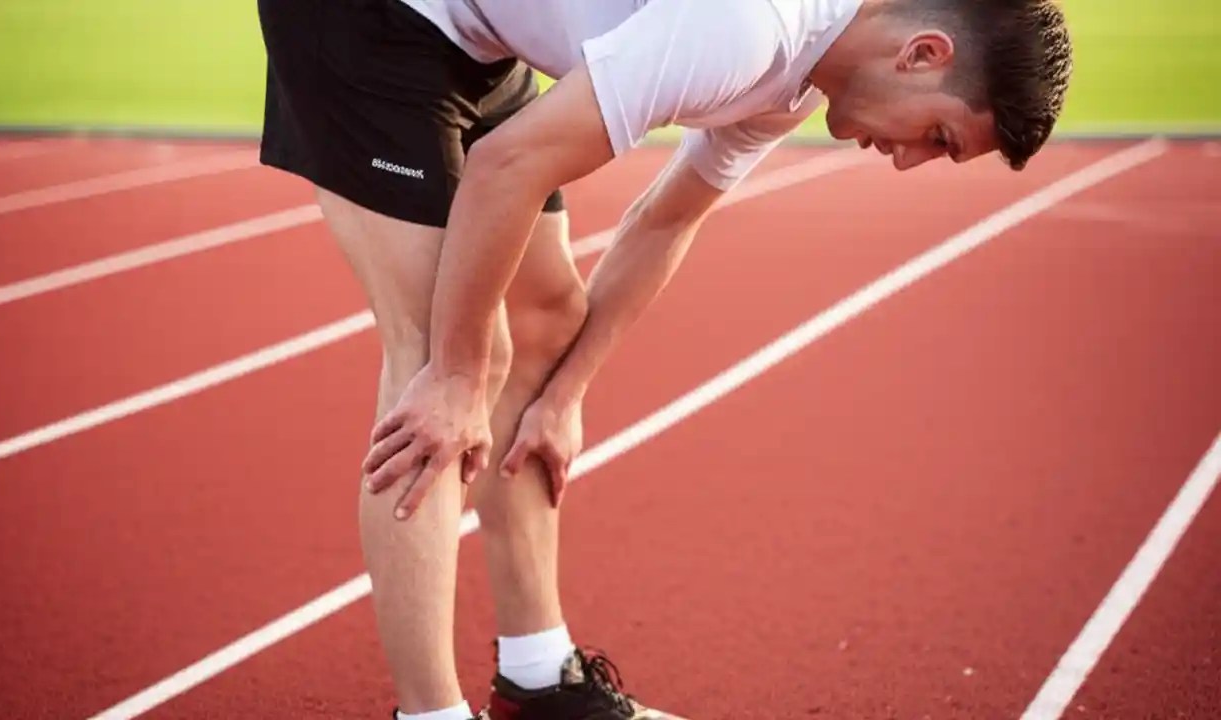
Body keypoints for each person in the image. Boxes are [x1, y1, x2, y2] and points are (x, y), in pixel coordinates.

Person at [255, 0, 1073, 717]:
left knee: (549, 322)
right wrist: (461, 379)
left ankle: (538, 679)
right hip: (370, 17)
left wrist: (567, 393)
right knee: (440, 348)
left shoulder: (797, 77)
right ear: (924, 53)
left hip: (472, 32)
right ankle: (429, 715)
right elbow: (508, 166)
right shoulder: (750, 27)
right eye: (937, 137)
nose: (907, 161)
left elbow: (665, 220)